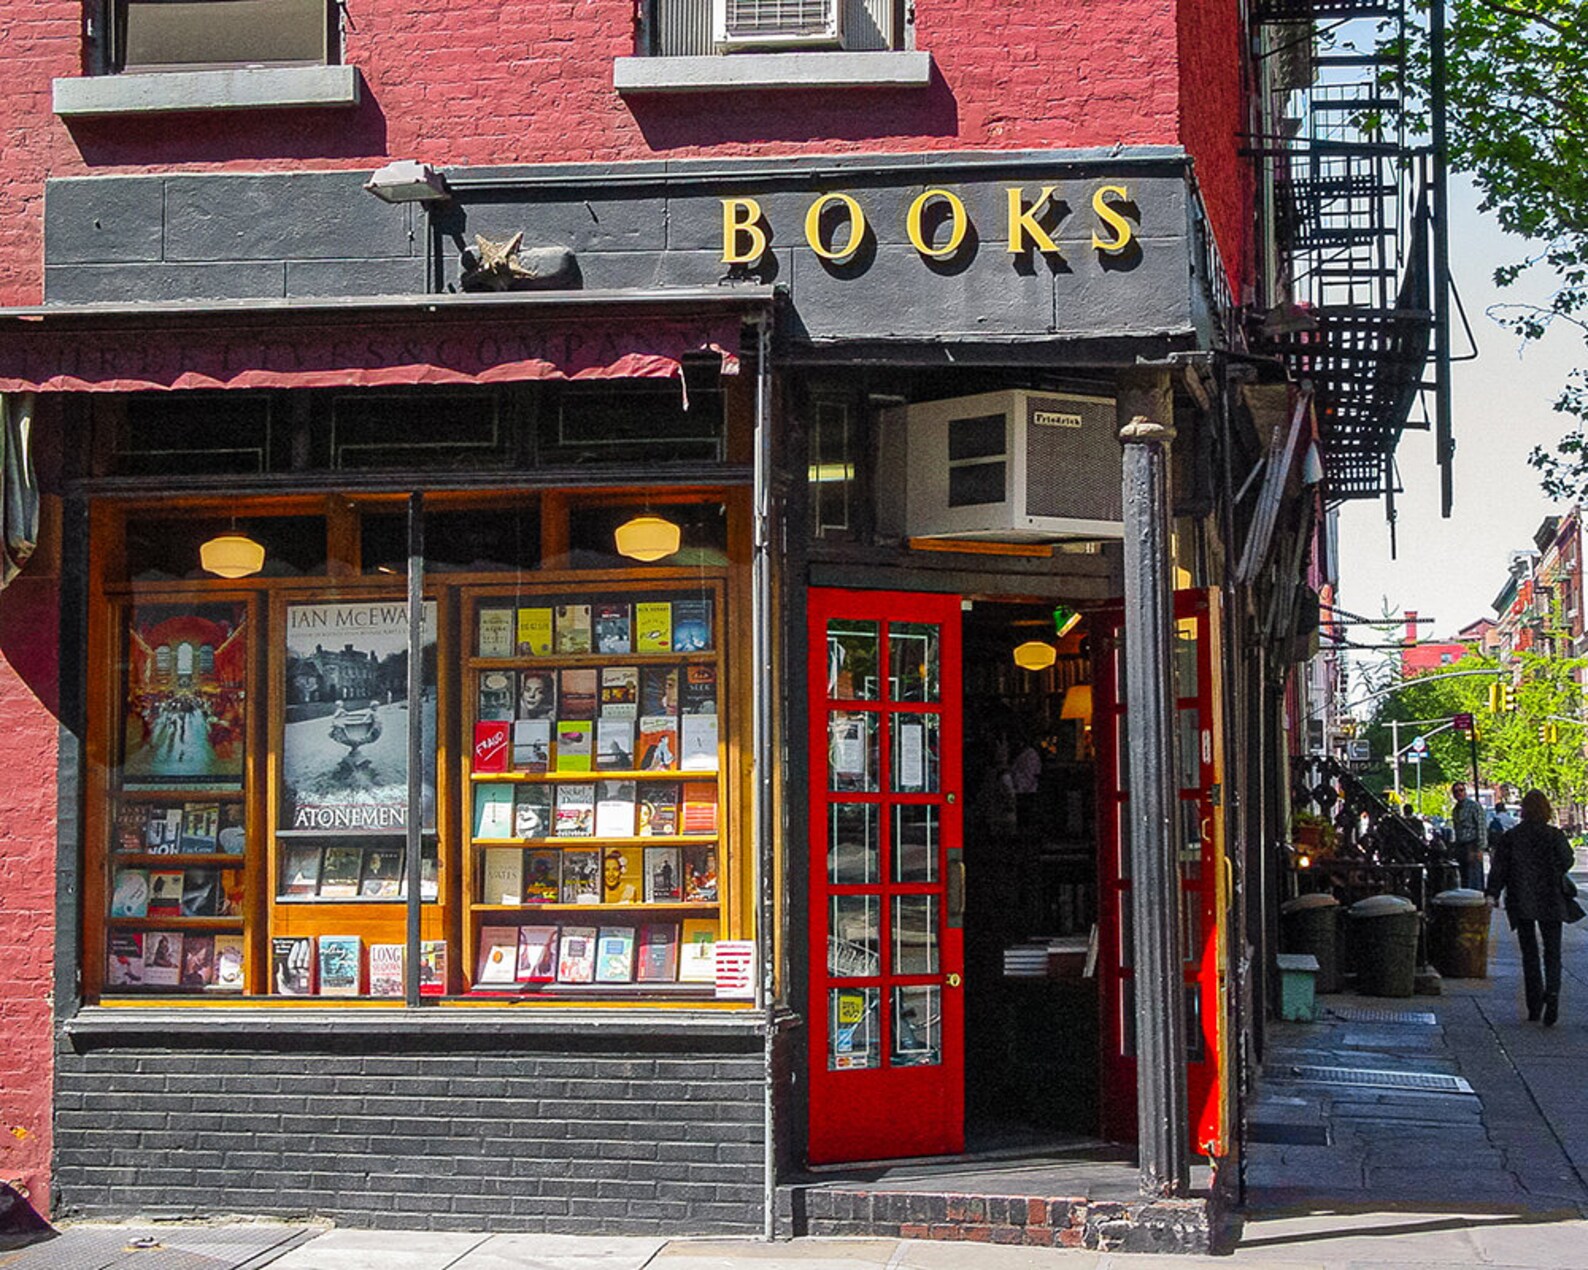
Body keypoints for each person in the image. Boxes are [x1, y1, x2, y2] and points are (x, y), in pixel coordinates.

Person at [1486, 789, 1584, 1026]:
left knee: (1529, 953)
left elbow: (1499, 867)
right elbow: (1567, 859)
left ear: (1523, 810)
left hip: (1522, 898)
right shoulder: (1554, 835)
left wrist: (1492, 894)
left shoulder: (1512, 837)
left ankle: (1534, 1004)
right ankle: (1552, 993)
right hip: (1551, 897)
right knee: (1553, 951)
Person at [1451, 781, 1487, 891]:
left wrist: (1480, 849)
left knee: (1474, 879)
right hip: (1461, 847)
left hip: (1473, 846)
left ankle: (1477, 903)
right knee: (1464, 878)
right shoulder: (1455, 810)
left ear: (1465, 791)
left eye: (1461, 790)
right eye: (1456, 791)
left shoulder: (1474, 806)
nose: (1459, 793)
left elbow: (1481, 827)